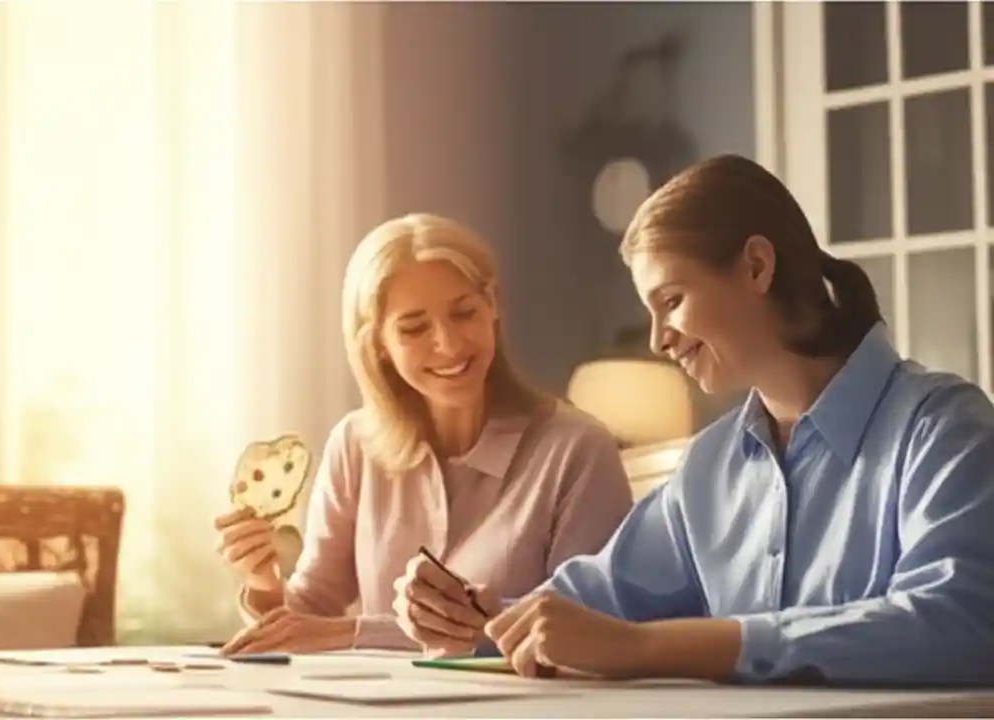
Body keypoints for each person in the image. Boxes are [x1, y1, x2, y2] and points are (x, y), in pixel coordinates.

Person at [394, 155, 994, 685]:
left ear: (757, 266)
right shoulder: (711, 466)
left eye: (672, 300)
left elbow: (959, 619)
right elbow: (599, 601)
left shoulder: (941, 429)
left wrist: (648, 647)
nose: (657, 339)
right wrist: (472, 618)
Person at [213, 212, 633, 654]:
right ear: (377, 342)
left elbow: (580, 626)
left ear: (492, 307)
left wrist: (357, 633)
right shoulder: (355, 446)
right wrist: (263, 580)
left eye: (465, 313)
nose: (449, 345)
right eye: (414, 328)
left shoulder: (578, 451)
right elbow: (312, 613)